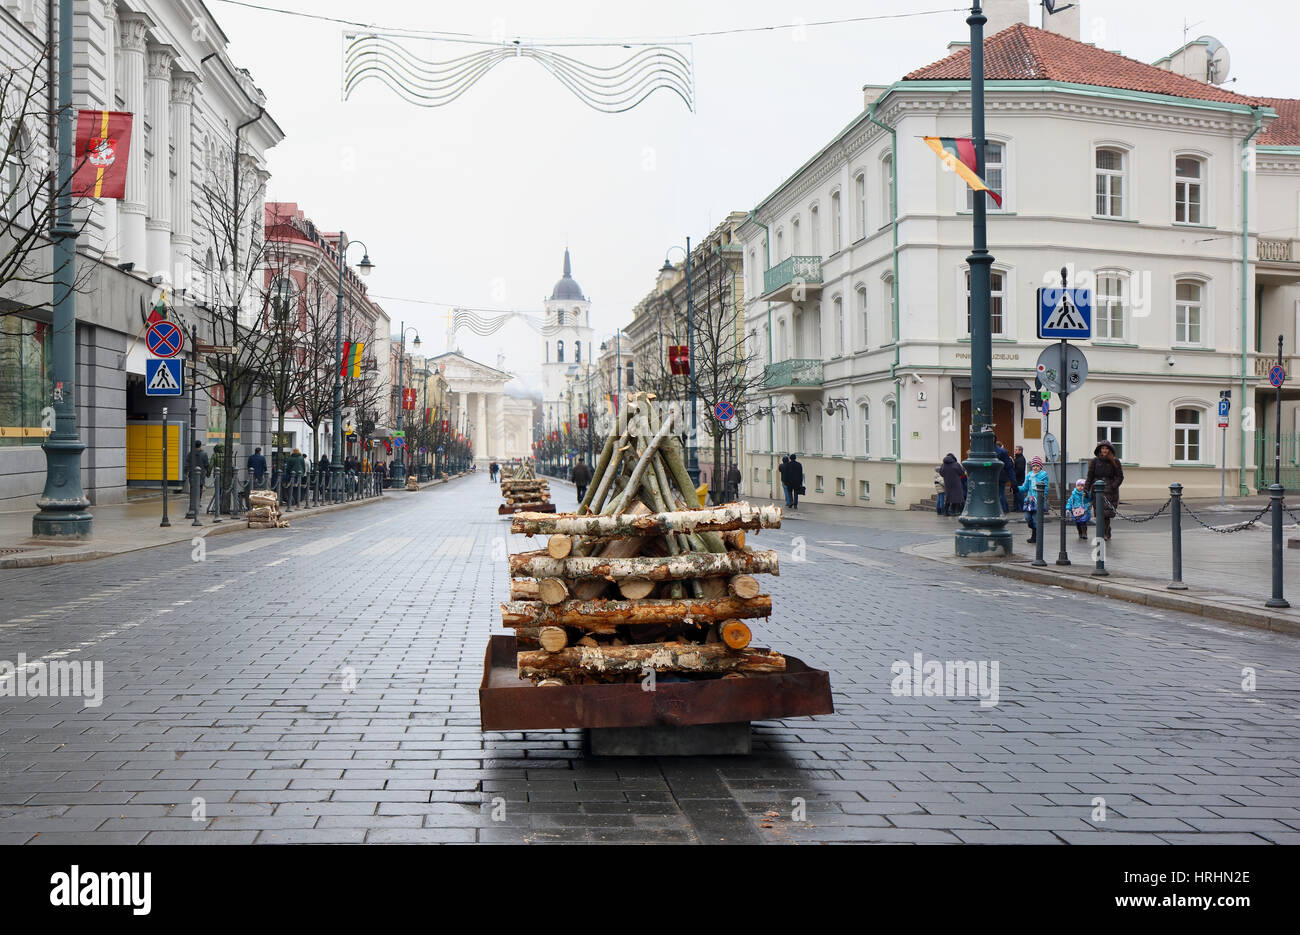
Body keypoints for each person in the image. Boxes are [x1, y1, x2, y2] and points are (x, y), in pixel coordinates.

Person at [1086, 441, 1124, 541]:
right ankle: (1102, 532)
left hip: (1110, 491)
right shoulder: (1095, 461)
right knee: (1099, 514)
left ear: (1110, 450)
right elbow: (1090, 476)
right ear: (1099, 449)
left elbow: (1120, 476)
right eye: (1102, 448)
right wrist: (1086, 489)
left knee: (1106, 514)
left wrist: (1113, 486)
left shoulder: (1115, 461)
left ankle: (1105, 532)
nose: (1104, 450)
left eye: (1106, 448)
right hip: (1097, 489)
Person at [1018, 456, 1051, 544]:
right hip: (1029, 500)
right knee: (1028, 517)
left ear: (1040, 467)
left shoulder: (1043, 475)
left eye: (1037, 466)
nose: (1035, 467)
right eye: (1034, 466)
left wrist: (1043, 496)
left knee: (1036, 519)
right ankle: (1033, 529)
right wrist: (1017, 488)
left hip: (1038, 500)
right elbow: (1025, 488)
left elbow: (1046, 488)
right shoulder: (1029, 475)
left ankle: (1035, 537)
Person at [994, 439, 1016, 514]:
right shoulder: (1004, 452)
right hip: (1002, 476)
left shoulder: (995, 451)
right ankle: (1005, 509)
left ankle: (1003, 509)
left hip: (995, 477)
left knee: (1000, 494)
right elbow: (1009, 467)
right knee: (1001, 493)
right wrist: (1013, 480)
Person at [1012, 445, 1027, 513]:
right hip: (1016, 478)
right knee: (1015, 493)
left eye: (1016, 450)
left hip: (1018, 479)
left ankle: (1021, 507)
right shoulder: (1017, 458)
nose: (1015, 451)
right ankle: (1016, 508)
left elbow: (1019, 470)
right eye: (1015, 449)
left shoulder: (1021, 459)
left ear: (1020, 451)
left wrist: (1013, 474)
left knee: (1019, 494)